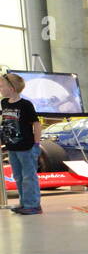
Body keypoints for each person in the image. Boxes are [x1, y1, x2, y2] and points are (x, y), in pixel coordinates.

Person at [1, 71, 43, 216]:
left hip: (27, 147)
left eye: (1, 86)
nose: (0, 89)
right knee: (18, 176)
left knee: (29, 176)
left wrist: (37, 144)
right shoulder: (4, 103)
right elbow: (6, 123)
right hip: (12, 147)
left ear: (11, 88)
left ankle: (34, 205)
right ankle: (24, 203)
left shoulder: (26, 105)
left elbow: (36, 124)